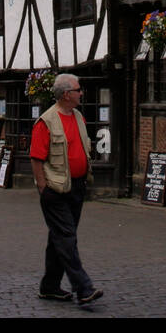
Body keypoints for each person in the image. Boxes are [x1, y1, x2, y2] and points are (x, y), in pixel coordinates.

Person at [30, 73, 102, 305]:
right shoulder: (46, 121)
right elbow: (36, 157)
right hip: (55, 189)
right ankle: (83, 287)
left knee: (59, 239)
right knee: (67, 237)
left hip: (77, 186)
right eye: (78, 90)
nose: (81, 93)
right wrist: (43, 186)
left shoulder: (79, 116)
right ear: (66, 94)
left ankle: (49, 286)